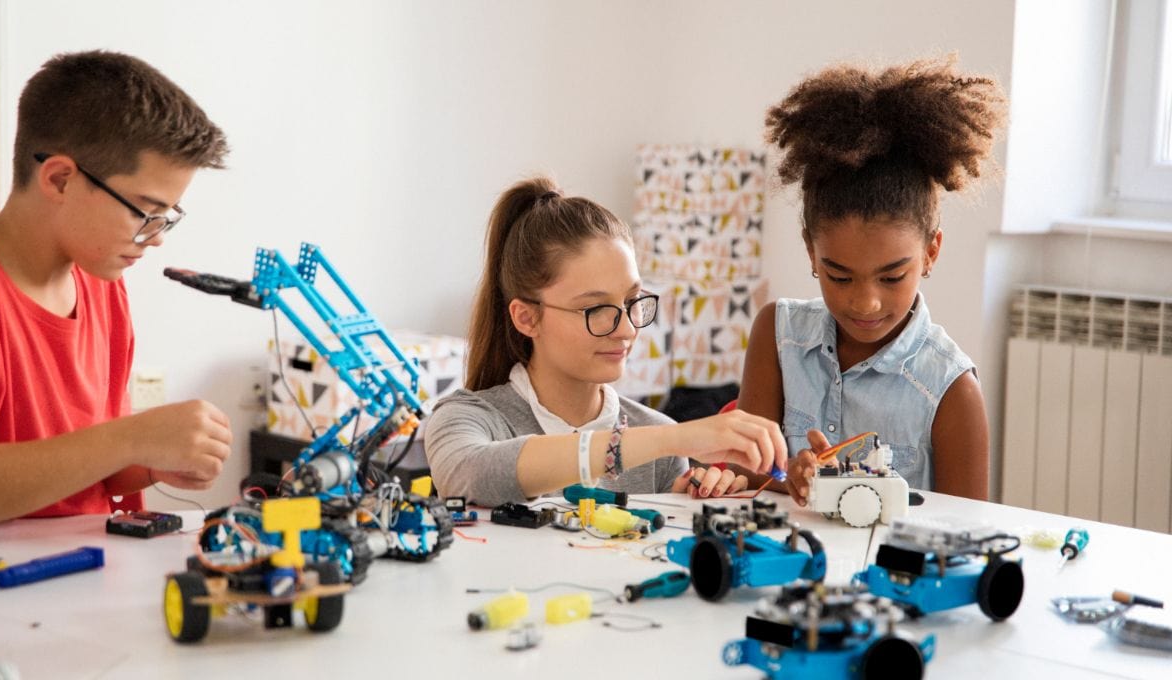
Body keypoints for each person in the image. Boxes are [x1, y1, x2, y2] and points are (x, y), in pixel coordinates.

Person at [0, 51, 233, 528]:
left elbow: (84, 465)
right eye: (145, 212)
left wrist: (151, 458)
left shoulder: (101, 283)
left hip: (76, 568)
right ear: (60, 179)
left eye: (167, 216)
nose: (157, 236)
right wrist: (132, 437)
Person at [736, 56, 1006, 504]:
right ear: (811, 253)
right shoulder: (776, 337)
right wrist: (791, 478)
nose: (865, 303)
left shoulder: (951, 392)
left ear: (931, 252)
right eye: (839, 277)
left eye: (892, 276)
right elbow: (741, 474)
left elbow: (963, 537)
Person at [424, 177, 787, 507]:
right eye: (596, 308)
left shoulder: (660, 441)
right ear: (526, 317)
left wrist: (695, 503)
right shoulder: (467, 418)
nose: (627, 329)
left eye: (632, 302)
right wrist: (672, 438)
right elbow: (469, 475)